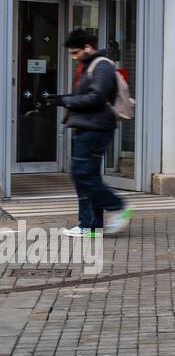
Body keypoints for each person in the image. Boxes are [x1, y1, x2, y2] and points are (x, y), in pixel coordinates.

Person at [56, 29, 132, 238]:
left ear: (88, 47)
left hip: (95, 129)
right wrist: (63, 99)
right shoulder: (90, 66)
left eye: (76, 52)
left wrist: (66, 100)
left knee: (81, 174)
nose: (74, 57)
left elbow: (97, 98)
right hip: (88, 127)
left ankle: (116, 206)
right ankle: (91, 225)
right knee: (86, 176)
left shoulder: (102, 66)